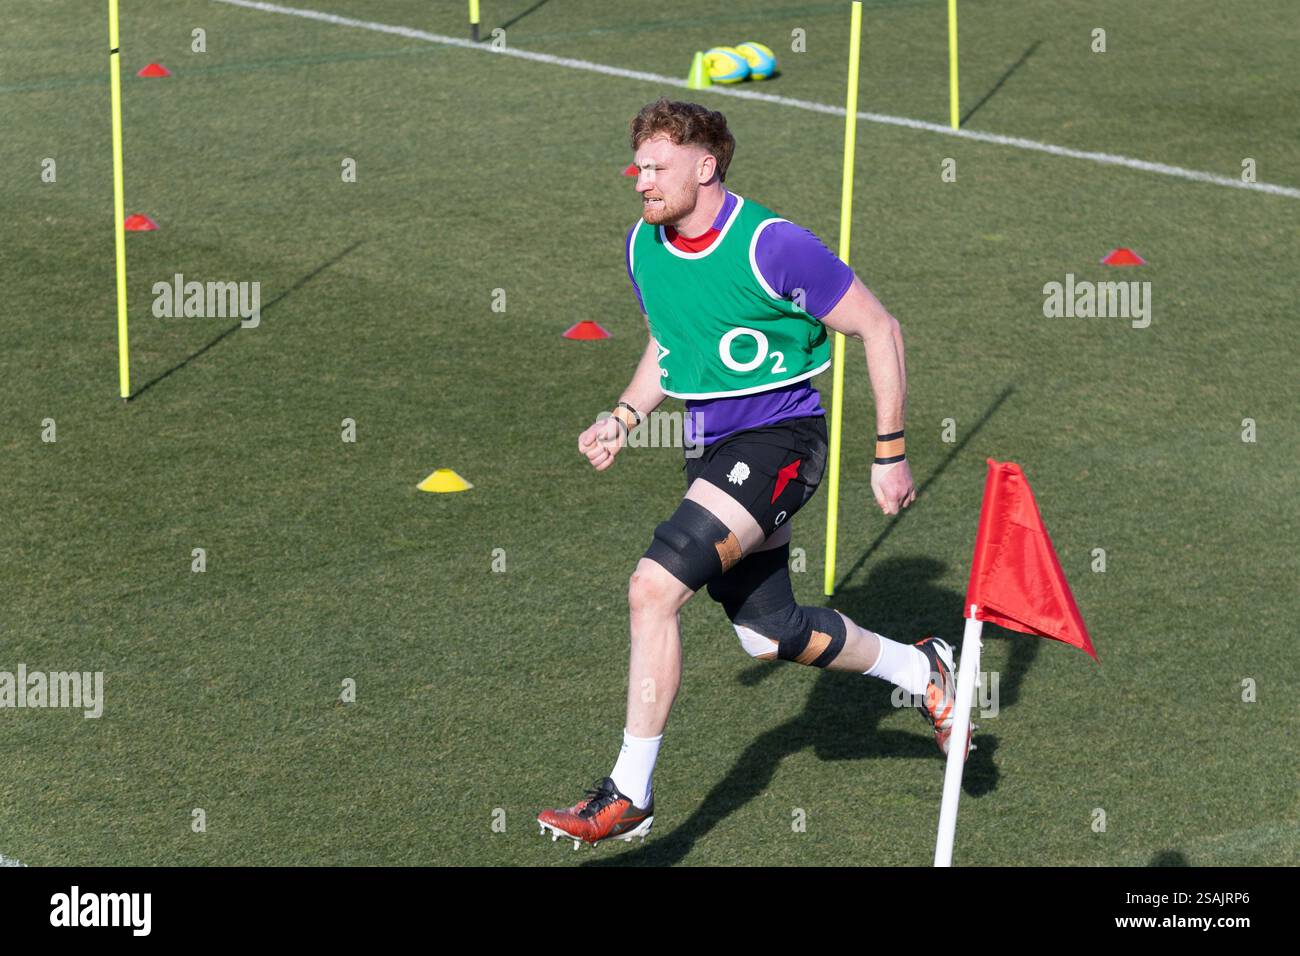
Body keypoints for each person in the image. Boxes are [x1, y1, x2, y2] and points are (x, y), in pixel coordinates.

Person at [537, 98, 969, 850]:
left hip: (781, 442)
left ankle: (629, 791)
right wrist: (623, 417)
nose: (640, 182)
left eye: (656, 167)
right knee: (769, 635)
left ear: (705, 167)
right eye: (636, 167)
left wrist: (891, 451)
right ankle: (925, 667)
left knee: (653, 586)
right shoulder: (646, 246)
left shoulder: (774, 245)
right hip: (710, 448)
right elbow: (671, 343)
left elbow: (880, 326)